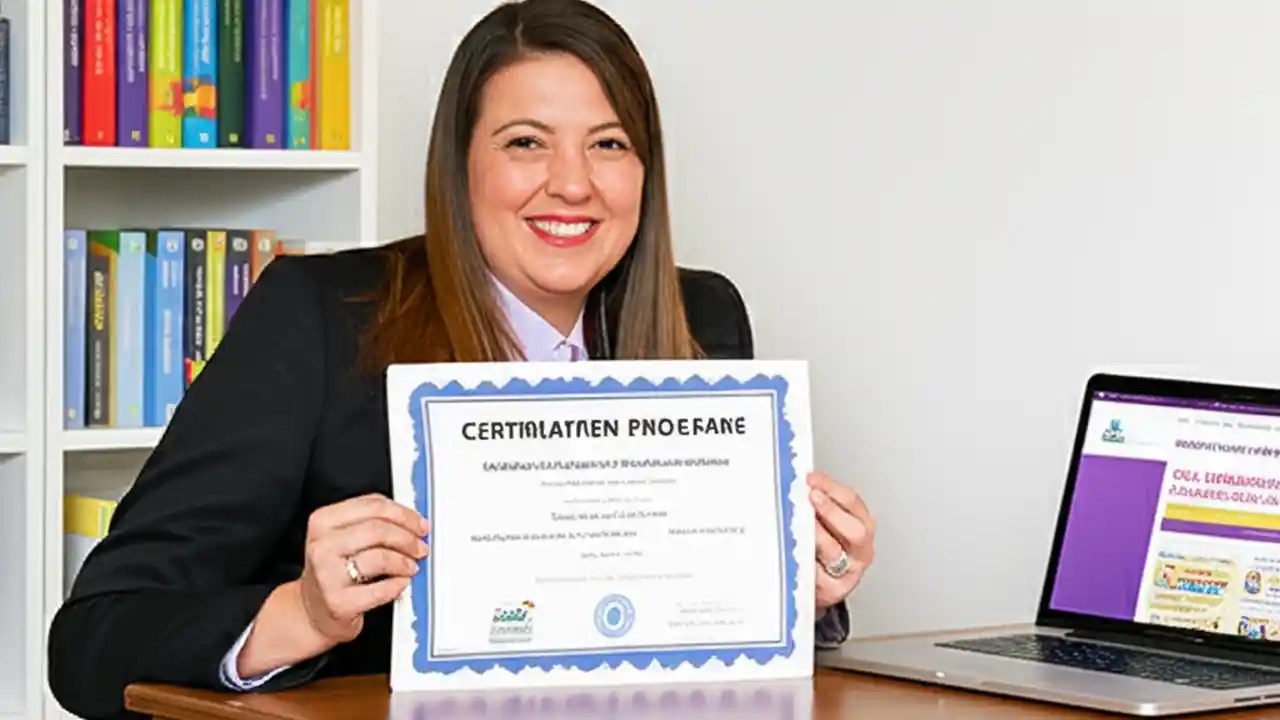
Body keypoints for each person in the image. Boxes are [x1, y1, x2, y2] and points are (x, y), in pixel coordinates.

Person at [46, 0, 877, 717]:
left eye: (609, 144)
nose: (573, 184)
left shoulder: (705, 320)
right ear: (461, 164)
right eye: (526, 143)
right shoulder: (318, 318)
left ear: (645, 172)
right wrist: (300, 614)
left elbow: (711, 646)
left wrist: (800, 586)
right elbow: (90, 640)